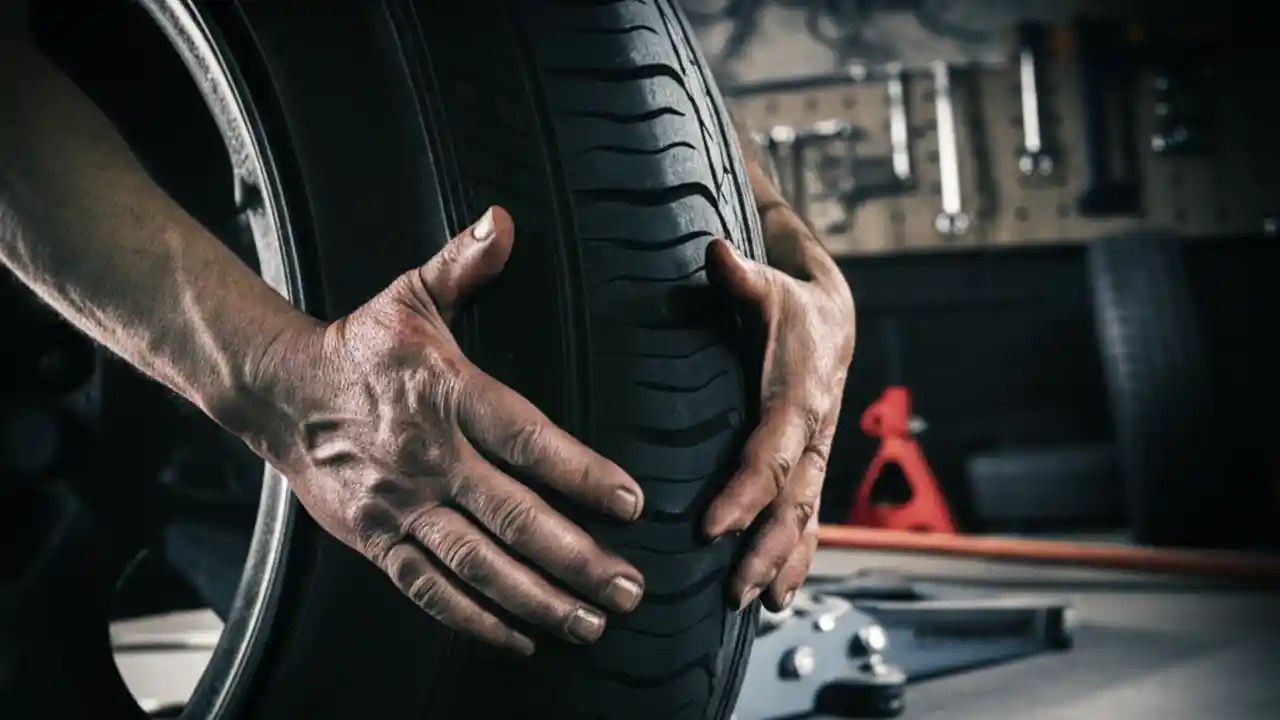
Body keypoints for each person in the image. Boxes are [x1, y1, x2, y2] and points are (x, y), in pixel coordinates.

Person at [0, 4, 855, 656]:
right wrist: (277, 380)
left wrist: (794, 251)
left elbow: (625, 40)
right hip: (76, 317)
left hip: (370, 408)